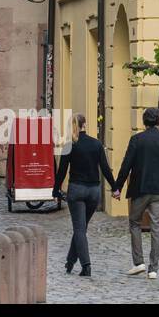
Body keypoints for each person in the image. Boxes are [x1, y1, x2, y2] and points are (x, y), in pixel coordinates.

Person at [112, 108, 159, 278]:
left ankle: (139, 262)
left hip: (140, 189)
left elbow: (126, 165)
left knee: (135, 222)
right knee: (157, 228)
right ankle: (154, 269)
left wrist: (117, 187)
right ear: (158, 121)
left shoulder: (137, 140)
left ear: (144, 122)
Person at [53, 113, 115, 277]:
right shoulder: (96, 144)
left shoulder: (69, 145)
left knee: (79, 229)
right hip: (94, 192)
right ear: (85, 125)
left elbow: (61, 172)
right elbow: (105, 168)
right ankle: (70, 262)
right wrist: (115, 187)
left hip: (77, 190)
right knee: (81, 228)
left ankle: (86, 266)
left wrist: (55, 190)